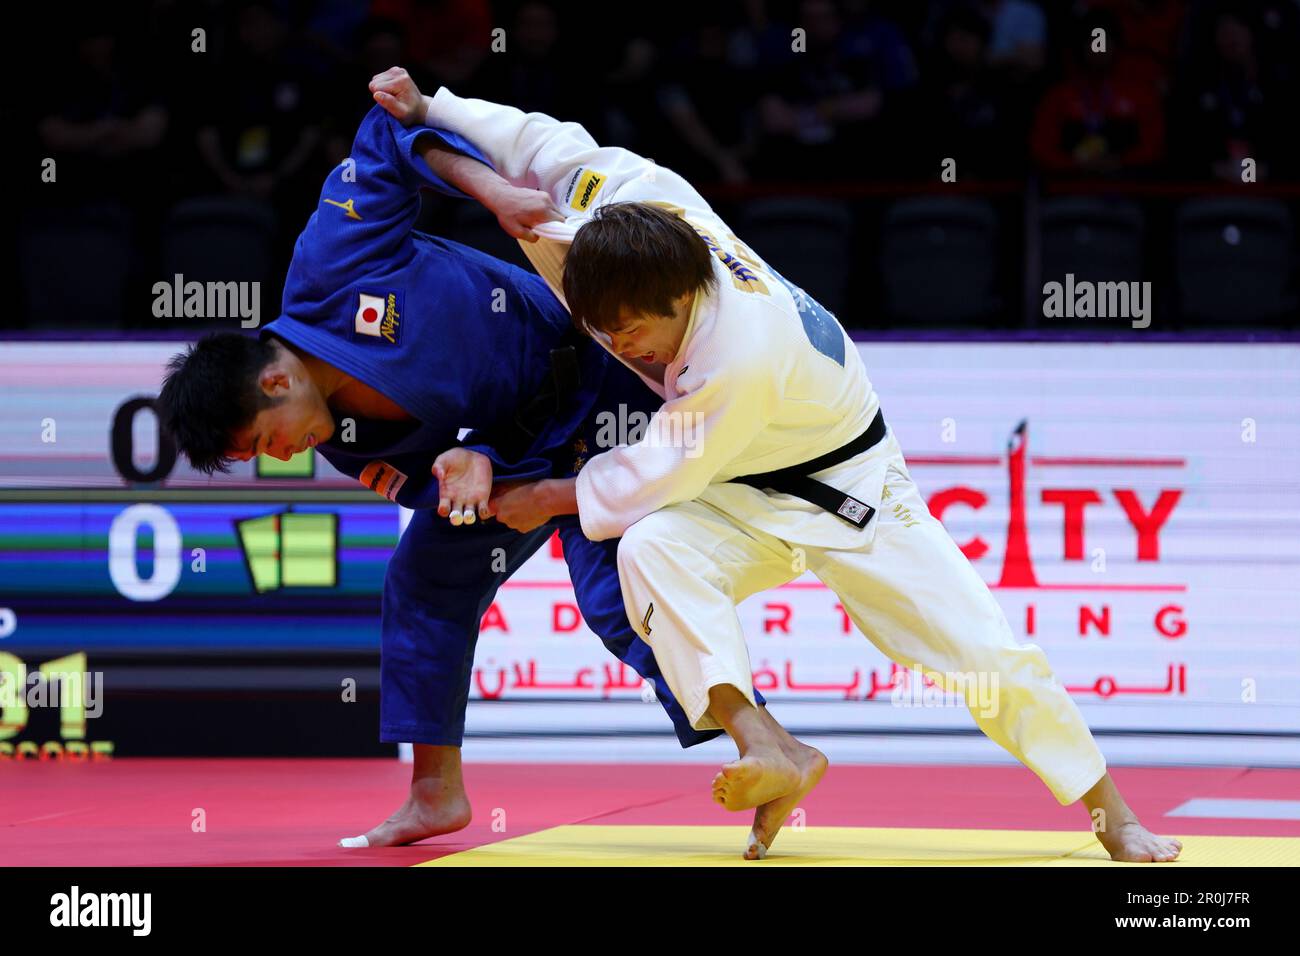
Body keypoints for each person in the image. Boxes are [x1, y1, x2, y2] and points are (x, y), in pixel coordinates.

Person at [373, 71, 1184, 863]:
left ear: (683, 295)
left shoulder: (741, 355)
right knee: (651, 551)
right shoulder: (625, 198)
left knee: (980, 653)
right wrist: (433, 105)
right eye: (606, 335)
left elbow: (653, 473)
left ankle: (1111, 814)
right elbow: (539, 140)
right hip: (743, 484)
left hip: (850, 488)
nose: (622, 352)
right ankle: (772, 752)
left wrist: (542, 496)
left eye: (632, 335)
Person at [157, 86, 759, 849]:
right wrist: (470, 473)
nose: (280, 457)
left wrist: (495, 192)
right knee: (424, 581)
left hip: (602, 373)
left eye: (263, 442)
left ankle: (760, 740)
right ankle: (436, 793)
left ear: (274, 382)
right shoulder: (343, 438)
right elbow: (437, 492)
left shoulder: (328, 268)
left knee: (615, 594)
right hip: (531, 457)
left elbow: (386, 136)